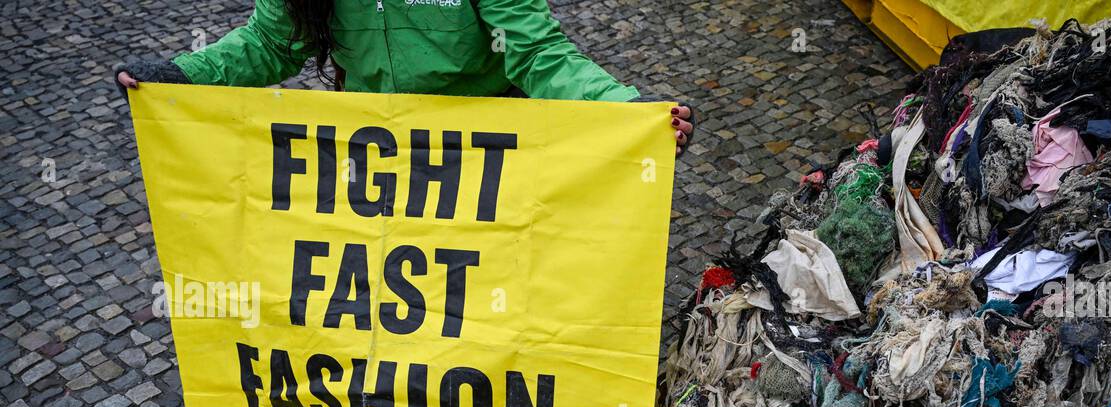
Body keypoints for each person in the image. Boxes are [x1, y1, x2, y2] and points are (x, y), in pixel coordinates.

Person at [115, 0, 694, 153]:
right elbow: (270, 42)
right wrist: (181, 73)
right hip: (378, 147)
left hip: (487, 147)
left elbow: (536, 52)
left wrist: (628, 111)